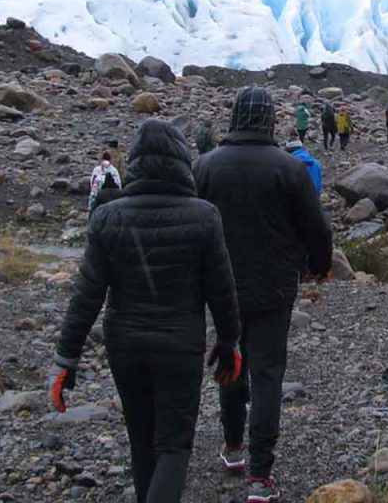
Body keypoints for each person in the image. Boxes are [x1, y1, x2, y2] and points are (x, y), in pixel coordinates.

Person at [52, 120, 242, 503]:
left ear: (134, 163)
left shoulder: (107, 217)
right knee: (174, 445)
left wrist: (65, 358)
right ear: (181, 162)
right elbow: (221, 289)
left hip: (125, 344)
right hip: (180, 344)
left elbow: (86, 294)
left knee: (141, 442)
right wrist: (228, 341)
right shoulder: (204, 216)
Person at [194, 87, 333, 502]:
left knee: (231, 360)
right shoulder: (288, 168)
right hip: (274, 287)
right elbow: (317, 228)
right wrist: (319, 265)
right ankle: (260, 475)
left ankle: (233, 446)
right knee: (269, 373)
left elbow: (192, 224)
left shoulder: (204, 166)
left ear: (234, 117)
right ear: (270, 119)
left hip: (222, 289)